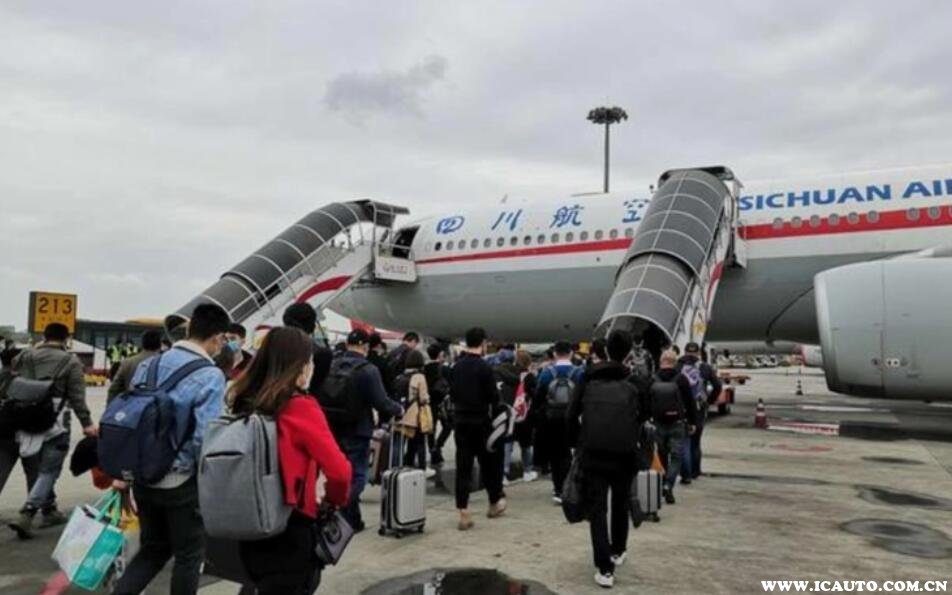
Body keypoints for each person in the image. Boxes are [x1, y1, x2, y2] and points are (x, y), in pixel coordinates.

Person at [112, 304, 229, 595]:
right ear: (217, 337)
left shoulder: (148, 365)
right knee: (189, 555)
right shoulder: (210, 375)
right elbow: (205, 437)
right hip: (180, 480)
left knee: (153, 549)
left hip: (143, 473)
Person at [228, 327, 351, 595]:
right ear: (301, 366)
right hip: (290, 523)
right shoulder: (300, 406)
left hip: (251, 521)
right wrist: (333, 501)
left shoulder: (245, 400)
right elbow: (340, 471)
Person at [567, 330, 648, 589]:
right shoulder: (635, 382)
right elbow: (646, 414)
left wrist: (578, 442)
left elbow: (571, 415)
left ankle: (604, 569)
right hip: (625, 453)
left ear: (604, 351)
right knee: (621, 502)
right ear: (628, 352)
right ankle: (618, 550)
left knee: (597, 509)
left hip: (593, 452)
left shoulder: (587, 378)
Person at [2, 323, 96, 539]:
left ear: (44, 336)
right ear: (66, 338)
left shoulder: (25, 356)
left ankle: (48, 509)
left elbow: (10, 376)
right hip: (55, 421)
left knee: (34, 465)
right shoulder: (71, 361)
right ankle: (28, 513)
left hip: (24, 417)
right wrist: (87, 424)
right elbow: (77, 397)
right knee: (48, 470)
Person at [326, 329, 403, 532]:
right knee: (357, 477)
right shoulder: (368, 370)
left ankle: (353, 520)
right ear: (365, 346)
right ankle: (335, 511)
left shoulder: (333, 364)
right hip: (357, 429)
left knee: (341, 472)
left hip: (333, 427)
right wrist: (399, 409)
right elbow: (381, 401)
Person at [450, 327, 506, 530]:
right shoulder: (484, 367)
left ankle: (463, 511)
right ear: (483, 343)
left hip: (461, 421)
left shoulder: (456, 367)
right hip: (481, 421)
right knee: (488, 463)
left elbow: (453, 393)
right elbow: (493, 396)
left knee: (463, 466)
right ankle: (493, 503)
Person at [534, 341, 584, 504]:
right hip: (573, 418)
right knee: (573, 454)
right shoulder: (579, 372)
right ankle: (573, 488)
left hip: (552, 419)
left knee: (556, 455)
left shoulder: (546, 373)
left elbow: (538, 397)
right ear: (571, 353)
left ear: (555, 354)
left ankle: (558, 490)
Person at [648, 349, 697, 504]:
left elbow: (647, 401)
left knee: (661, 455)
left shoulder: (652, 378)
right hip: (677, 423)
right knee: (676, 457)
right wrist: (693, 422)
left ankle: (662, 482)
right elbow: (690, 402)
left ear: (660, 361)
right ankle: (669, 485)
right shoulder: (681, 379)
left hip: (658, 423)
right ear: (675, 363)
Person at [677, 341, 722, 483]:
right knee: (695, 442)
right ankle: (695, 471)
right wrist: (709, 401)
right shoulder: (705, 367)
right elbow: (717, 386)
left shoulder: (678, 366)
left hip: (682, 407)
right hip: (698, 408)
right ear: (698, 353)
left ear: (685, 352)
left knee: (683, 441)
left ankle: (685, 472)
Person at [497, 350, 537, 484]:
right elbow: (535, 394)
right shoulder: (529, 376)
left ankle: (503, 474)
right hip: (524, 415)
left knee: (507, 443)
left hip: (509, 412)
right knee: (526, 444)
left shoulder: (505, 374)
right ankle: (527, 471)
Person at [394, 350, 433, 473]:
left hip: (401, 414)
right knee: (420, 442)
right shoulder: (419, 377)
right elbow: (423, 398)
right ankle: (422, 468)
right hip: (415, 415)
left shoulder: (400, 377)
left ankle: (400, 466)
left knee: (402, 442)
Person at [107, 329, 162, 403]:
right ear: (160, 345)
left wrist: (111, 407)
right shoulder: (166, 362)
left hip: (133, 406)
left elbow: (114, 389)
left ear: (142, 344)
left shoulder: (128, 362)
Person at [424, 343, 452, 466]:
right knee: (448, 426)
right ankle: (438, 446)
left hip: (429, 403)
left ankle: (432, 451)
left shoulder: (424, 369)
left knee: (431, 429)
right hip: (443, 403)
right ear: (440, 354)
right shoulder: (445, 369)